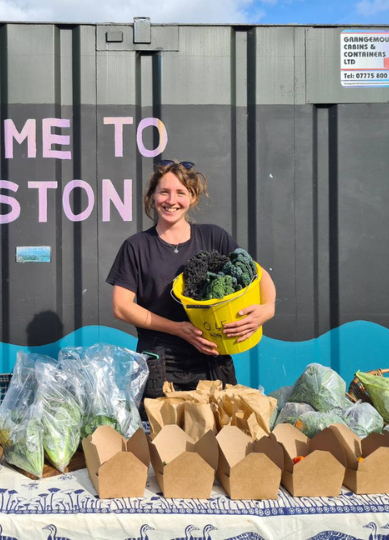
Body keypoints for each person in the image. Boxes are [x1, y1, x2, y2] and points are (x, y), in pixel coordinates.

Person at [106, 160, 276, 398]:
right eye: (164, 192)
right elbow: (121, 306)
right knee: (159, 425)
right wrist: (177, 329)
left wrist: (268, 309)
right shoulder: (136, 246)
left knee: (219, 424)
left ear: (193, 197)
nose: (171, 200)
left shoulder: (214, 236)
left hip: (213, 360)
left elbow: (259, 273)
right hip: (161, 363)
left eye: (180, 193)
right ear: (152, 196)